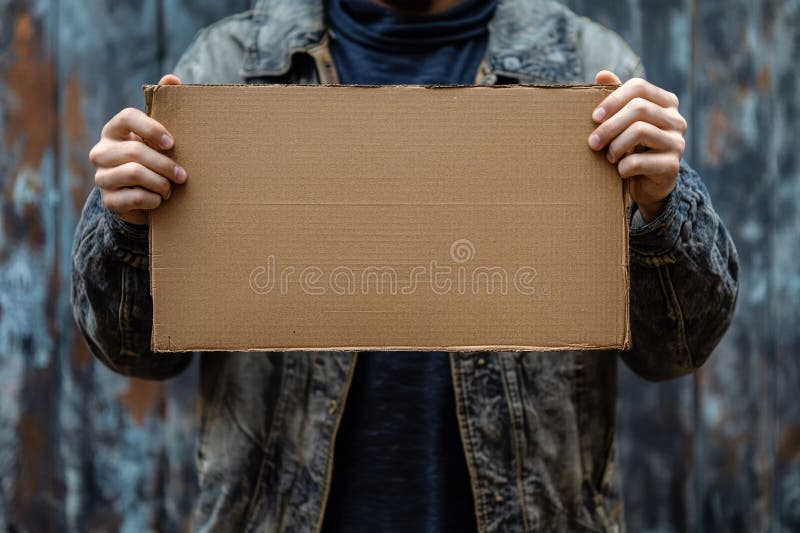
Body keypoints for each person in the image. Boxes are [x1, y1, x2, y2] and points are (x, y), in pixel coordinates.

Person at [71, 0, 739, 531]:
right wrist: (125, 222)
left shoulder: (588, 68)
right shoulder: (229, 66)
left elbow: (674, 348)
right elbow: (137, 354)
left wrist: (663, 207)